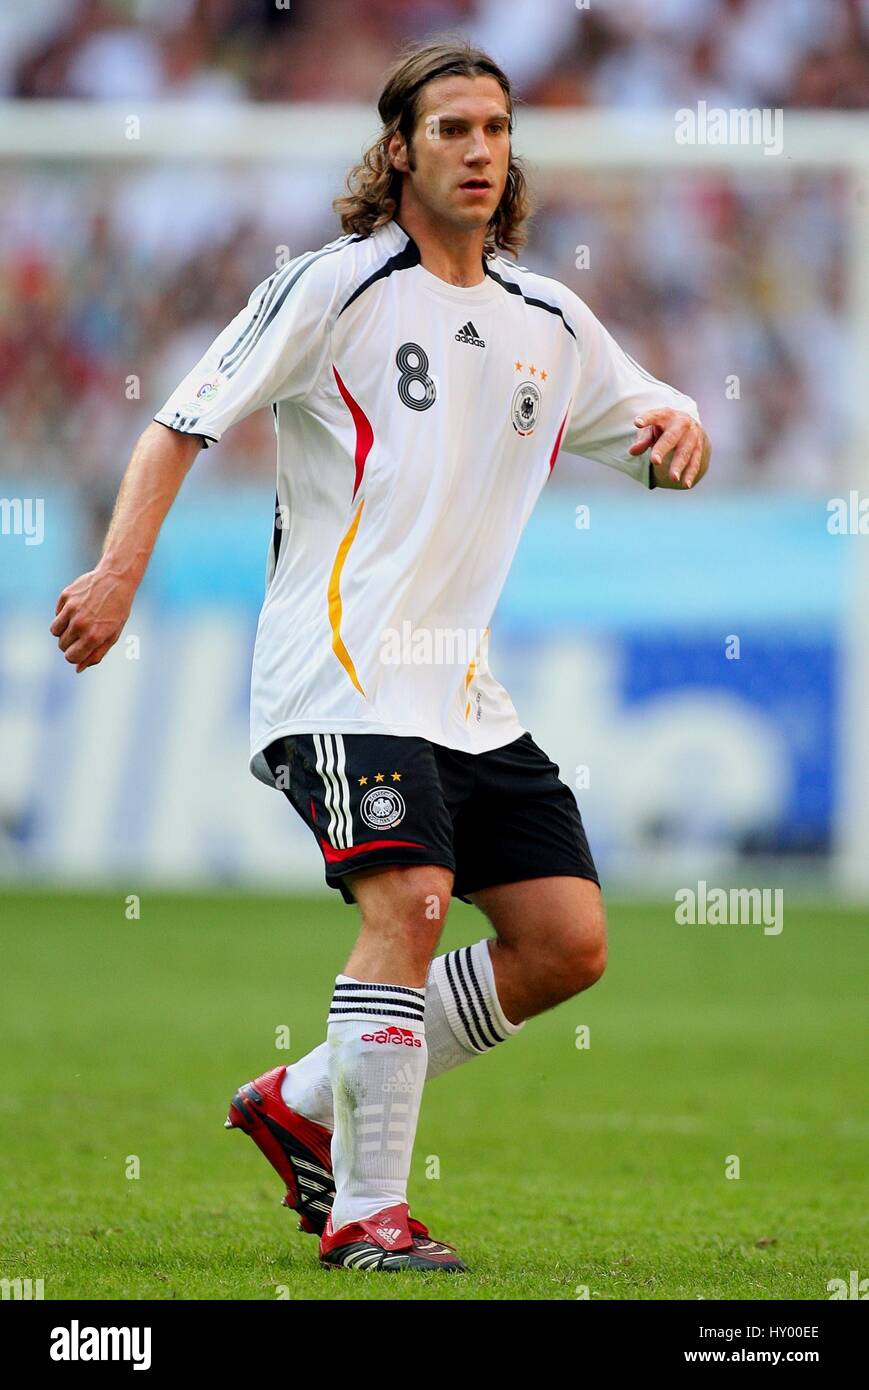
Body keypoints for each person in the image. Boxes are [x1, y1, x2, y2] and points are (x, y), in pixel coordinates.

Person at [50, 37, 710, 1274]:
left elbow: (656, 428)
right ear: (397, 147)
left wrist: (684, 438)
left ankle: (299, 1097)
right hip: (337, 674)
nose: (479, 150)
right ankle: (366, 1215)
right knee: (408, 901)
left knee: (566, 942)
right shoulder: (335, 286)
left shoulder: (548, 318)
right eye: (452, 128)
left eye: (496, 129)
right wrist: (119, 572)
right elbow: (180, 422)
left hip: (460, 691)